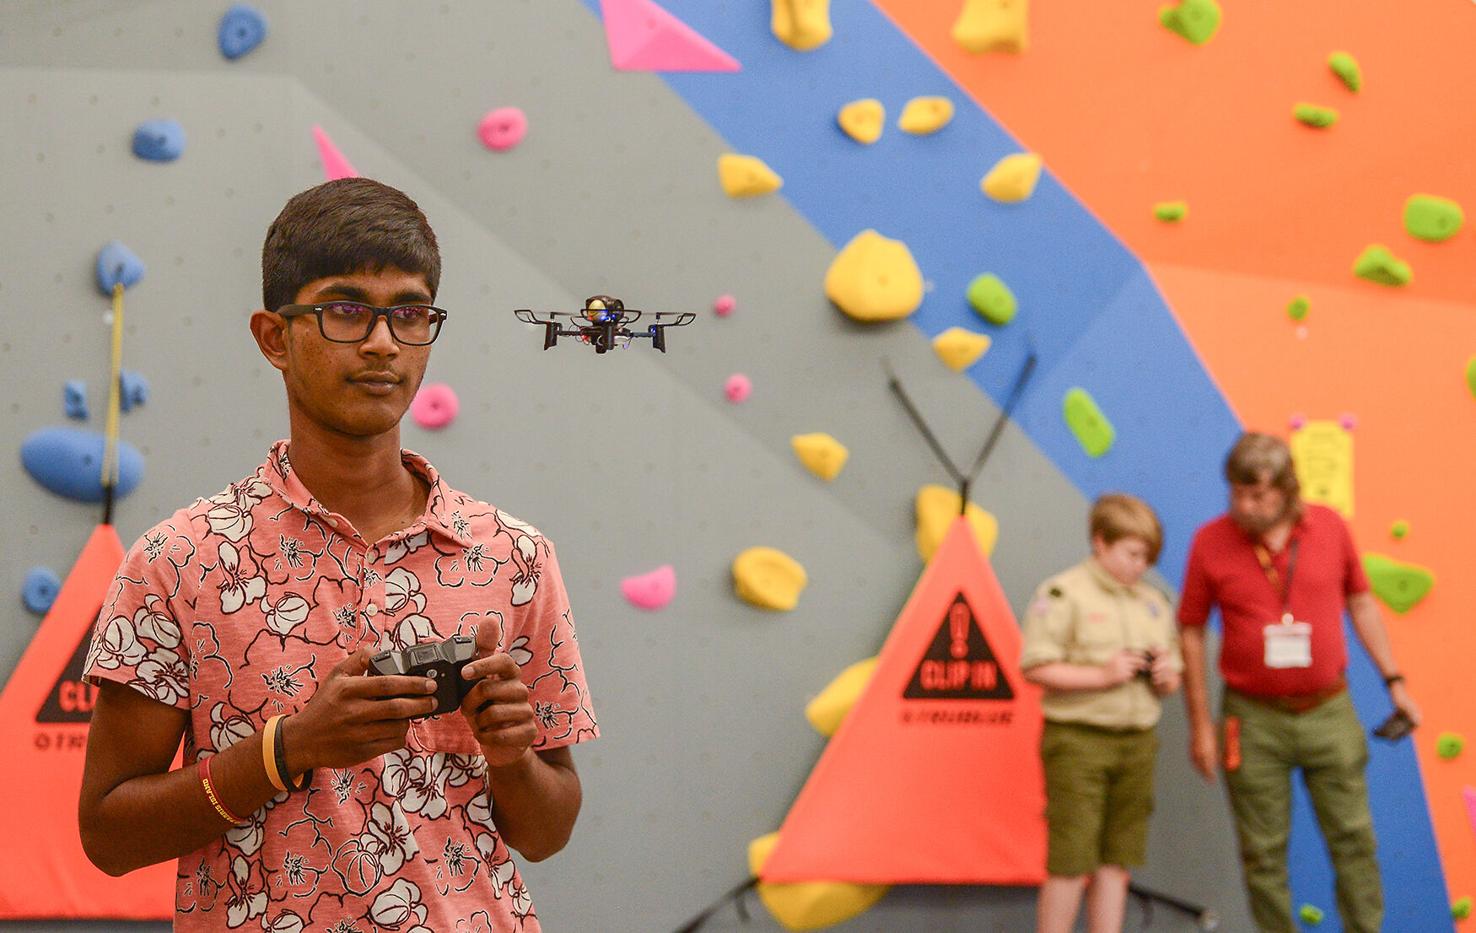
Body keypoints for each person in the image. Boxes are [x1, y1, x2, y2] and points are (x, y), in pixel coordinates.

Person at [77, 177, 597, 931]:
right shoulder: (178, 561)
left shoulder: (513, 556)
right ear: (274, 337)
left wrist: (513, 755)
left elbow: (548, 833)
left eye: (410, 313)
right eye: (347, 310)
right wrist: (290, 747)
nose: (383, 342)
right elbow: (107, 834)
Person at [1178, 432, 1419, 933]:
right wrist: (1201, 723)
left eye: (1259, 495)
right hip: (1251, 717)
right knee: (1262, 854)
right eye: (1237, 493)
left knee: (1354, 840)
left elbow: (1361, 603)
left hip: (1329, 710)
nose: (1245, 505)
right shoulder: (1210, 541)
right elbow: (1192, 630)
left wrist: (1394, 681)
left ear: (1288, 489)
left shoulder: (1329, 528)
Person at [1020, 493, 1182, 933]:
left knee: (1117, 860)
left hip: (1137, 742)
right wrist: (1103, 675)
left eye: (1147, 557)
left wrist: (1166, 675)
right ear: (1100, 542)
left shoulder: (1153, 602)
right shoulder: (1062, 593)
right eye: (1131, 553)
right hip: (1078, 741)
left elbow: (1172, 681)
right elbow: (1035, 666)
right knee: (1071, 860)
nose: (1140, 565)